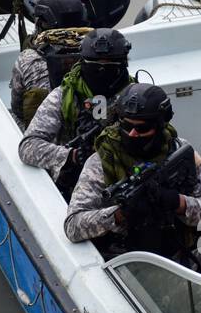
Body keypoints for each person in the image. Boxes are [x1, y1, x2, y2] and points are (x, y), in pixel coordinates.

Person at [64, 83, 201, 277]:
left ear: (159, 125)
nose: (132, 134)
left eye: (142, 128)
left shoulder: (179, 151)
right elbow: (73, 226)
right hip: (127, 264)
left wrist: (176, 202)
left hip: (179, 254)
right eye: (126, 125)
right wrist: (119, 215)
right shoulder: (101, 161)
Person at [19, 28, 133, 194]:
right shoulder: (64, 96)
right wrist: (71, 156)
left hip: (123, 178)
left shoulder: (135, 96)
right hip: (75, 181)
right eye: (95, 65)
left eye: (110, 65)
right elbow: (28, 146)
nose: (102, 72)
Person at [7, 0, 90, 128]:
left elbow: (17, 108)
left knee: (12, 116)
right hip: (87, 129)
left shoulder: (28, 59)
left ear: (40, 23)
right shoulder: (97, 50)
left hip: (43, 137)